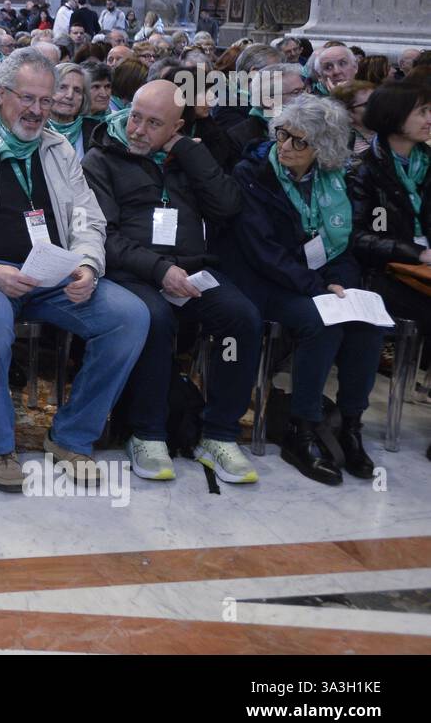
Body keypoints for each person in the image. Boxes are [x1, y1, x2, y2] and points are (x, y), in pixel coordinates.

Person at [0, 48, 148, 491]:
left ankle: (71, 437)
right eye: (26, 98)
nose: (36, 111)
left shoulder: (58, 148)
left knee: (130, 316)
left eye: (45, 101)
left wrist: (87, 265)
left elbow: (87, 218)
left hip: (54, 273)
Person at [82, 80, 260, 483]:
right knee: (155, 317)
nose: (138, 130)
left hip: (191, 268)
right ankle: (147, 431)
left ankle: (219, 433)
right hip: (131, 274)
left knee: (241, 318)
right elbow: (102, 237)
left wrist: (187, 152)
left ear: (176, 126)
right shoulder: (101, 159)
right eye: (135, 117)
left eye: (154, 123)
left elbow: (228, 207)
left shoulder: (188, 156)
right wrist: (161, 270)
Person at [219, 95, 384, 485]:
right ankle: (302, 427)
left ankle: (350, 424)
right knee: (321, 322)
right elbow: (264, 251)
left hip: (313, 279)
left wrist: (342, 281)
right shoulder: (253, 172)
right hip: (262, 280)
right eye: (283, 134)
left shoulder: (332, 178)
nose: (286, 146)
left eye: (300, 141)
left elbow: (341, 243)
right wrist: (320, 287)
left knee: (366, 323)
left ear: (323, 149)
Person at [348, 79, 431, 407]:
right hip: (384, 274)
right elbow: (356, 237)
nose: (429, 119)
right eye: (422, 111)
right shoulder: (364, 170)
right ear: (394, 116)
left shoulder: (427, 164)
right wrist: (415, 252)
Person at [46, 62, 99, 159]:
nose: (70, 95)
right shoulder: (35, 128)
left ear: (83, 97)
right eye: (62, 87)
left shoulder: (97, 132)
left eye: (77, 90)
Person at [331, 80, 377, 158]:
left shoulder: (393, 128)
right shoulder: (349, 149)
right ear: (347, 114)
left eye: (378, 99)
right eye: (368, 104)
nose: (379, 105)